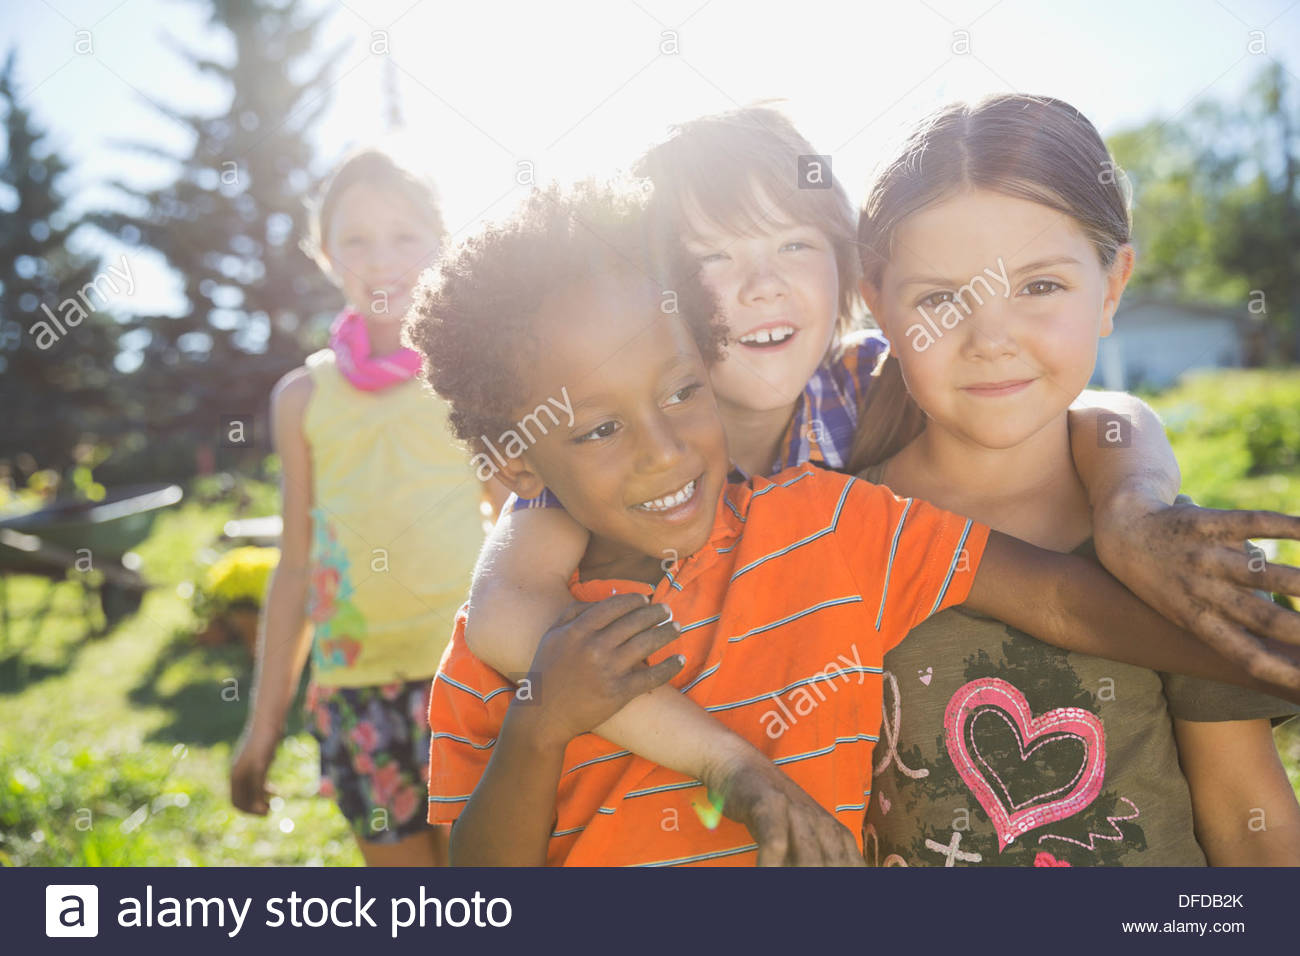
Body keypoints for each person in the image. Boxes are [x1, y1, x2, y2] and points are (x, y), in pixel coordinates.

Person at [405, 182, 1300, 866]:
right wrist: (539, 727)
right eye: (599, 428)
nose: (662, 451)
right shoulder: (505, 646)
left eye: (684, 391)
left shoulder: (833, 523)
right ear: (517, 461)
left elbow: (1063, 603)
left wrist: (1264, 654)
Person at [851, 94, 1300, 866]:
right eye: (940, 299)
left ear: (1114, 285)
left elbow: (1246, 819)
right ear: (878, 309)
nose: (991, 339)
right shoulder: (830, 533)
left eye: (1039, 286)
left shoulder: (1182, 560)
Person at [229, 149, 493, 866]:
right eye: (356, 239)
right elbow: (295, 569)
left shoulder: (470, 380)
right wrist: (262, 728)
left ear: (443, 243)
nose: (383, 259)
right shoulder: (303, 399)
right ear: (324, 254)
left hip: (470, 678)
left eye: (407, 235)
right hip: (354, 697)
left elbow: (521, 524)